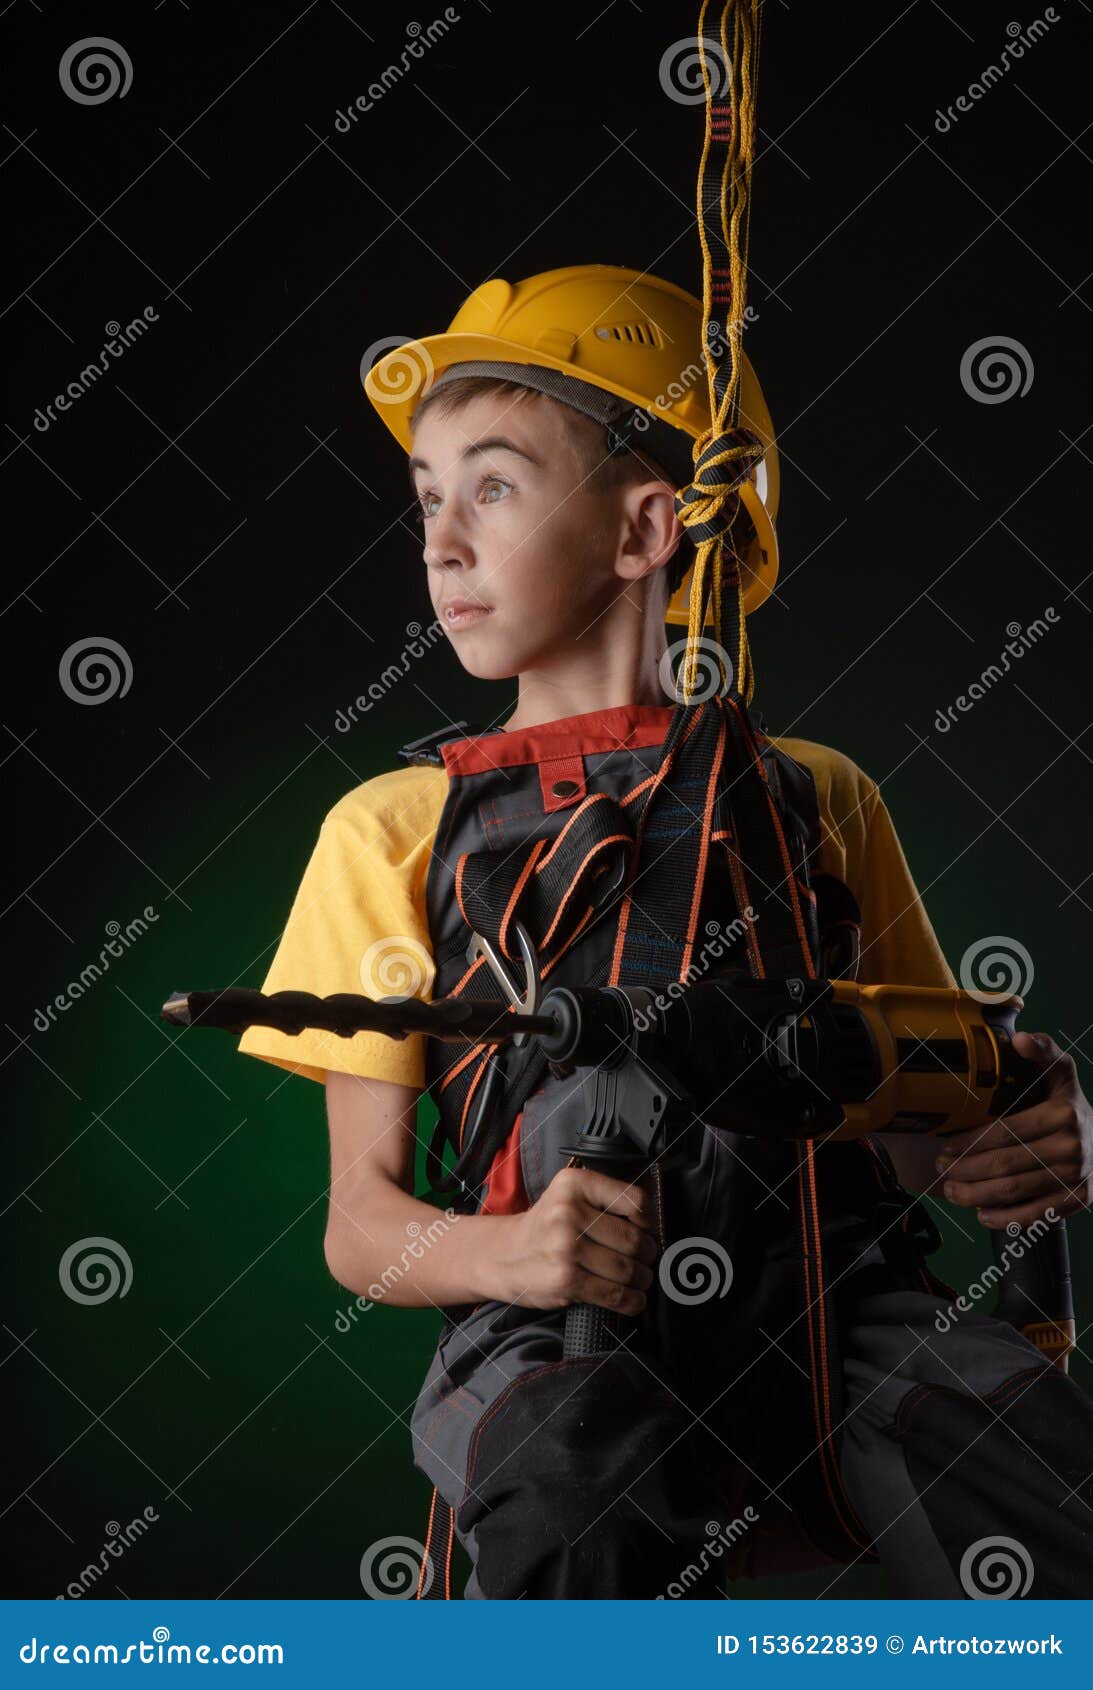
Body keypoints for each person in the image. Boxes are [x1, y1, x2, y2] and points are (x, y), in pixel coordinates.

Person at [238, 265, 1093, 1600]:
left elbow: (924, 1119)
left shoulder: (813, 797)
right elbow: (362, 1227)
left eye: (495, 485)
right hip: (560, 1337)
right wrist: (500, 1253)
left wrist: (1027, 1125)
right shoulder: (395, 826)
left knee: (1028, 1462)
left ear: (648, 526)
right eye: (426, 500)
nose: (440, 540)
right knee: (571, 1495)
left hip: (839, 1323)